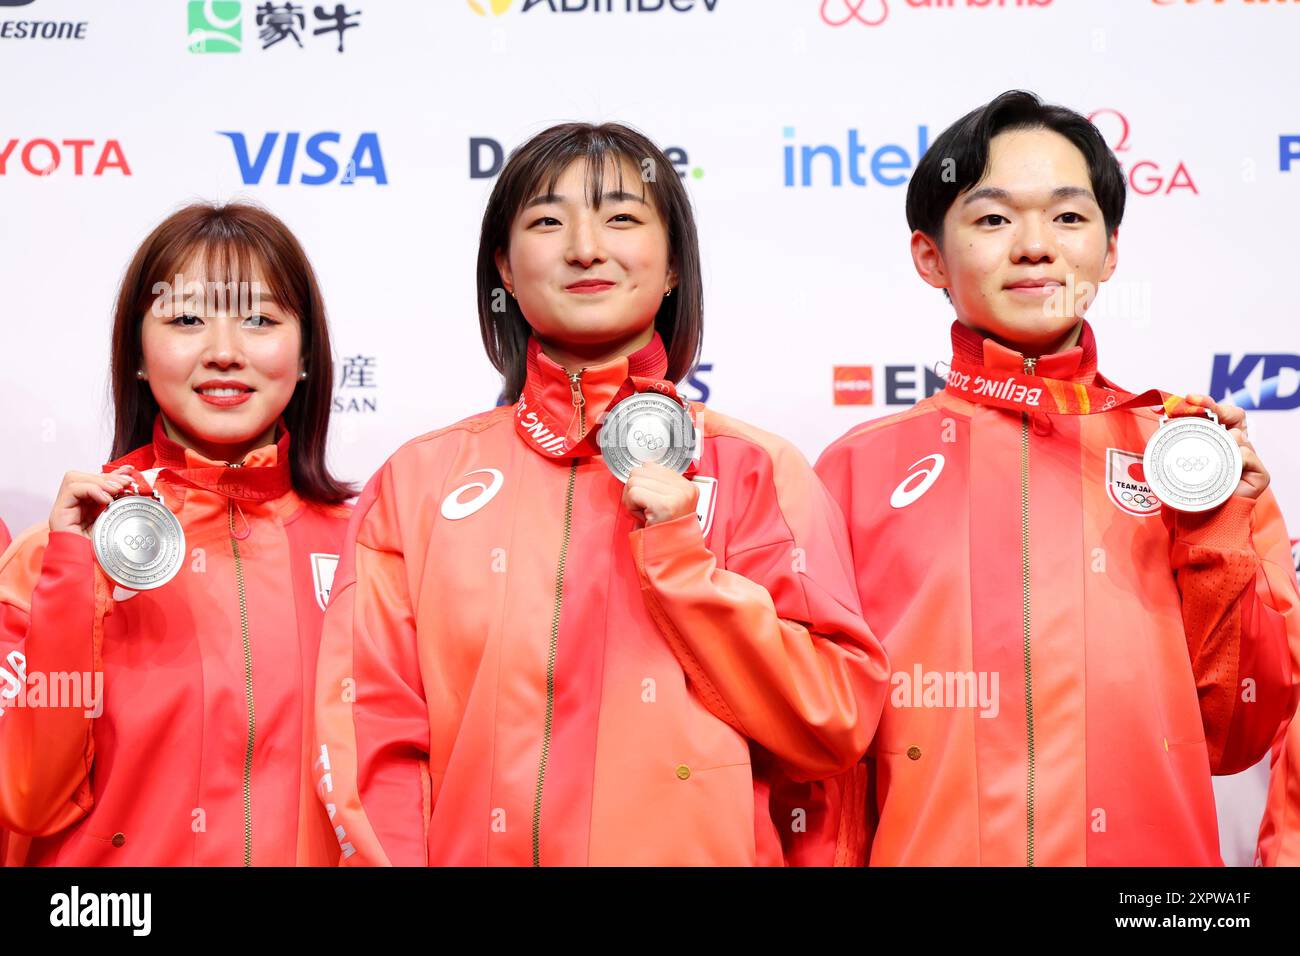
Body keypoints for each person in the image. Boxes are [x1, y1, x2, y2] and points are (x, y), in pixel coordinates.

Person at [314, 122, 889, 866]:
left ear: (674, 266)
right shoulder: (422, 481)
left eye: (621, 217)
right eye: (548, 222)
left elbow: (833, 726)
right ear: (505, 271)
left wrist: (684, 570)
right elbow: (374, 740)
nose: (586, 247)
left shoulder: (757, 470)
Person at [815, 90, 1300, 866]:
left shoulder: (1191, 459)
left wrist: (1217, 535)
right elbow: (826, 761)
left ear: (1110, 251)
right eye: (994, 218)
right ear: (930, 256)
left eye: (1069, 218)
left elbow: (1238, 734)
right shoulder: (854, 470)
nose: (1035, 246)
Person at [0, 201, 353, 865]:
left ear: (306, 354)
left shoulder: (368, 549)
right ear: (136, 354)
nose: (223, 352)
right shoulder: (57, 551)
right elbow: (25, 795)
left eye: (259, 319)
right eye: (187, 319)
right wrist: (74, 577)